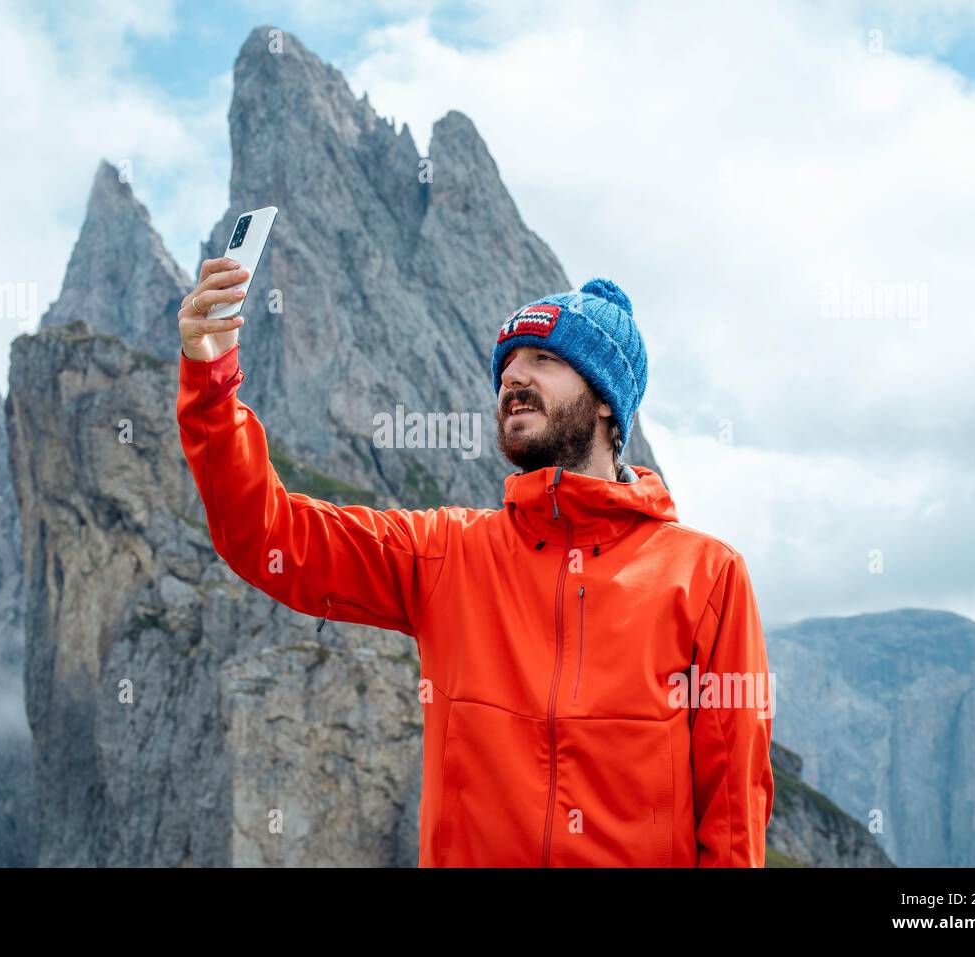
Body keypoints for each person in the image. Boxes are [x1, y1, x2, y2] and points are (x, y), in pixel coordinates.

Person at [176, 257, 774, 867]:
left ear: (604, 401)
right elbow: (267, 535)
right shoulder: (445, 554)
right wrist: (211, 374)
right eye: (508, 365)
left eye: (545, 359)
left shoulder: (706, 576)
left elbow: (732, 819)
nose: (514, 376)